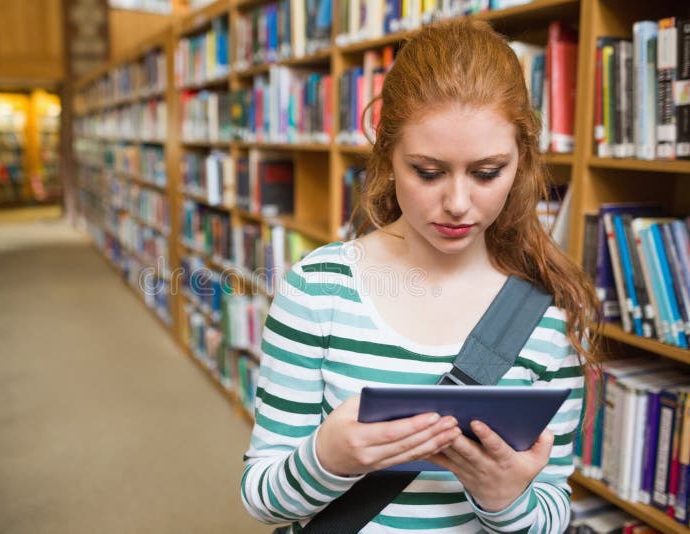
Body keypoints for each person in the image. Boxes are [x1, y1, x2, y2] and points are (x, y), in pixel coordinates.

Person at [241, 17, 599, 533]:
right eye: (427, 172)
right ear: (388, 156)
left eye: (486, 172)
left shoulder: (548, 317)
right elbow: (261, 499)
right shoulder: (319, 289)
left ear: (521, 161)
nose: (456, 203)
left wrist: (504, 500)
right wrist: (326, 458)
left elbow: (551, 512)